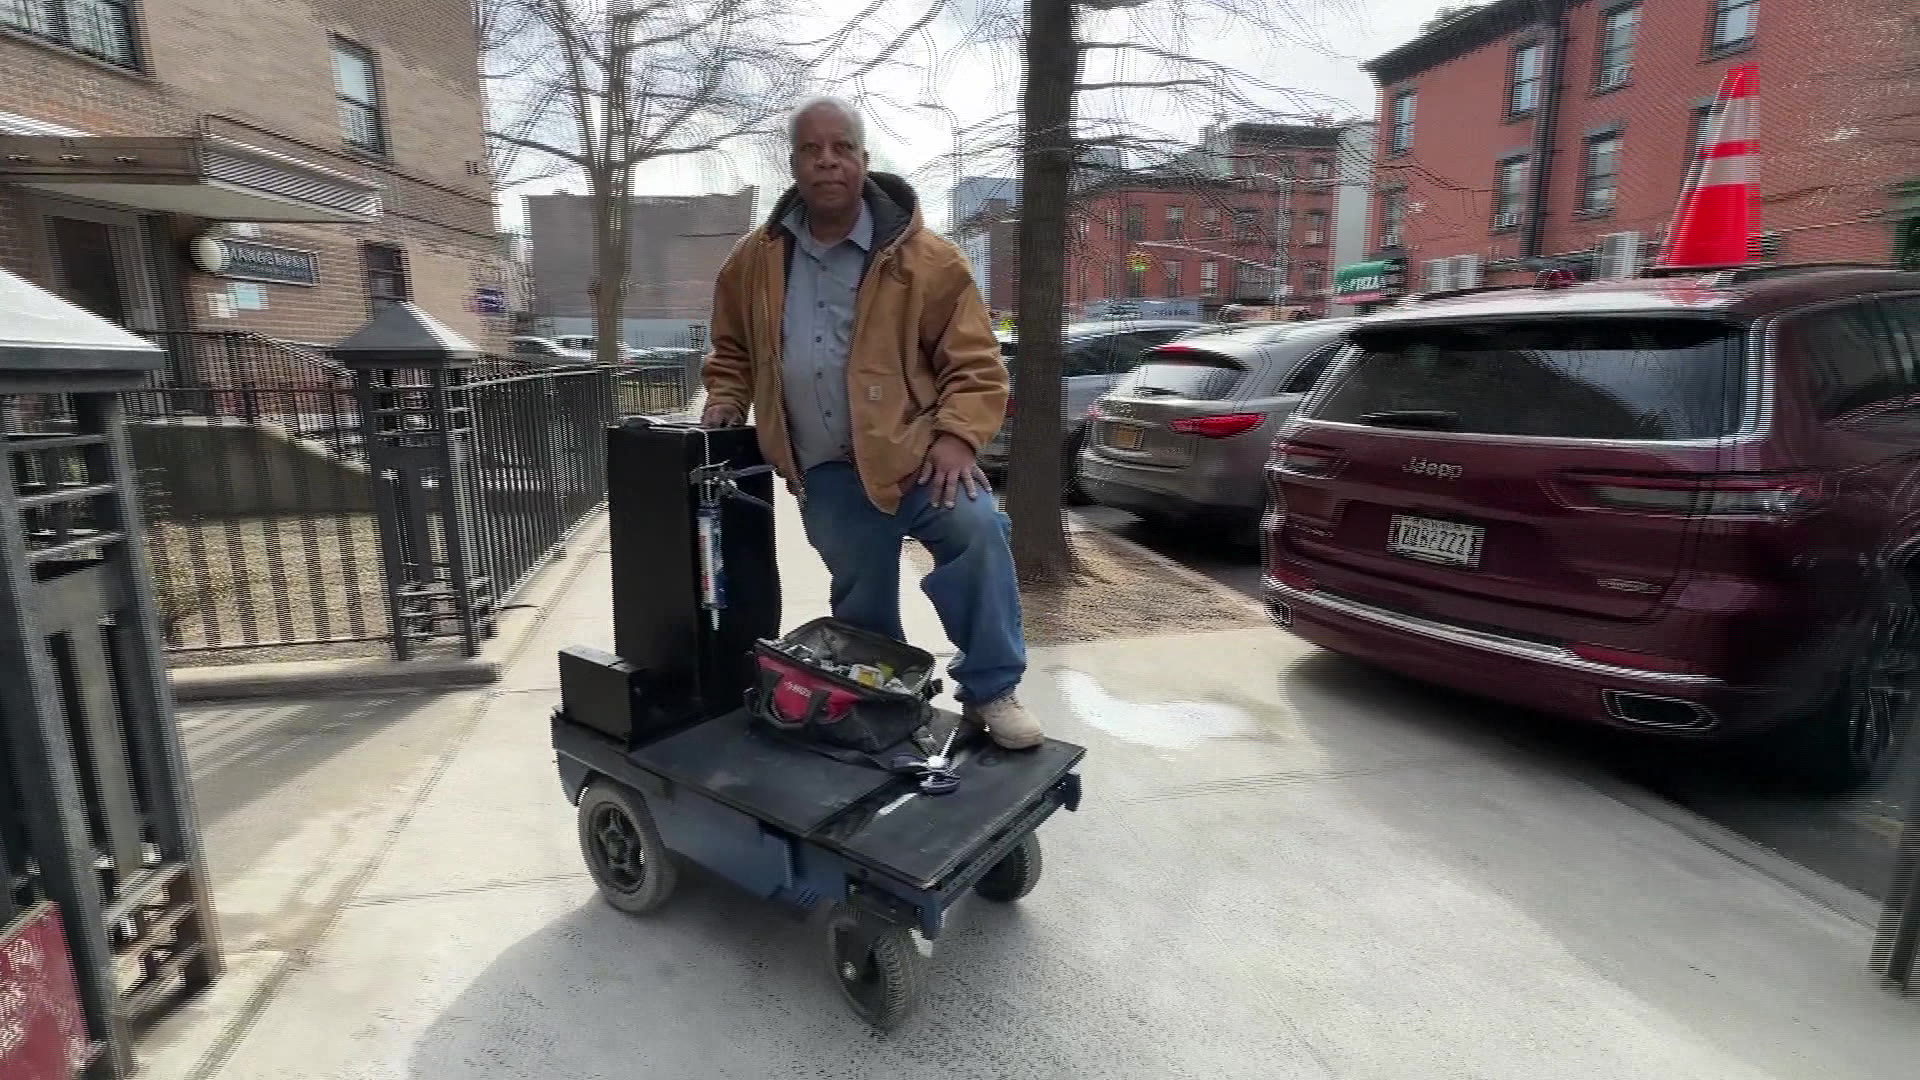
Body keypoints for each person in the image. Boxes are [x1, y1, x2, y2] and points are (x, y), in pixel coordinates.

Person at [699, 96, 1041, 751]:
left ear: (863, 159)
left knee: (977, 534)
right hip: (824, 468)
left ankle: (992, 690)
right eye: (811, 149)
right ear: (794, 161)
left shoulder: (930, 261)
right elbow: (732, 348)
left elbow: (975, 362)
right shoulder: (754, 261)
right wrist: (727, 397)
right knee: (862, 601)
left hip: (920, 458)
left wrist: (955, 436)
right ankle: (887, 705)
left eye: (842, 148)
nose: (827, 161)